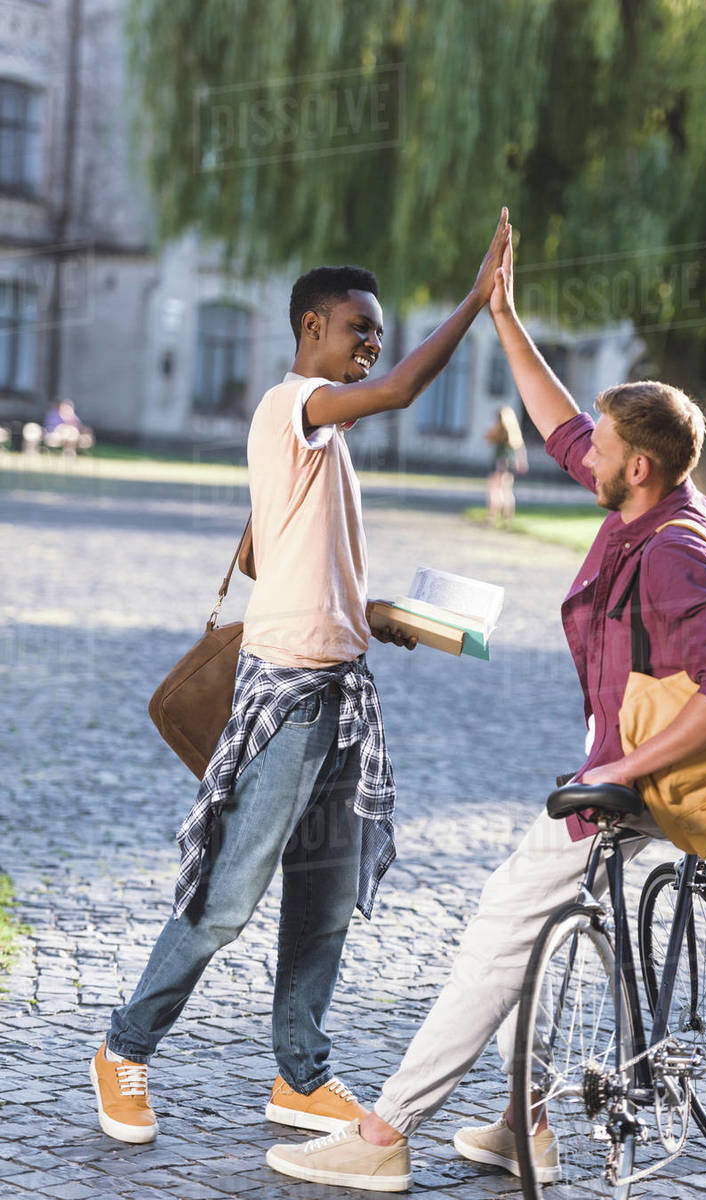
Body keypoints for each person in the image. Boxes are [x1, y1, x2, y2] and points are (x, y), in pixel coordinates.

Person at [266, 227, 706, 1190]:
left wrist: (615, 773)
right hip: (624, 772)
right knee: (535, 930)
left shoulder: (671, 550)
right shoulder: (654, 501)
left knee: (501, 925)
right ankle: (520, 1122)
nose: (586, 456)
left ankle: (383, 1136)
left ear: (639, 472)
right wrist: (501, 314)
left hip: (639, 787)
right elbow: (562, 424)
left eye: (605, 449)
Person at [89, 209, 511, 1145]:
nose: (373, 343)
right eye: (359, 327)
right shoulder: (293, 407)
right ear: (310, 328)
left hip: (337, 693)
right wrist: (478, 301)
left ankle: (301, 1076)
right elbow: (402, 391)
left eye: (378, 332)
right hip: (287, 697)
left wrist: (383, 617)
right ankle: (121, 1048)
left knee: (321, 904)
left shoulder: (320, 440)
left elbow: (288, 561)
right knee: (231, 896)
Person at [485, 404, 527, 521]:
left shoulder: (499, 430)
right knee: (507, 490)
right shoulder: (514, 431)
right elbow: (520, 447)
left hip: (499, 462)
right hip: (510, 463)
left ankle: (492, 514)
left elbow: (488, 439)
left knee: (494, 489)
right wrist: (522, 462)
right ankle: (507, 515)